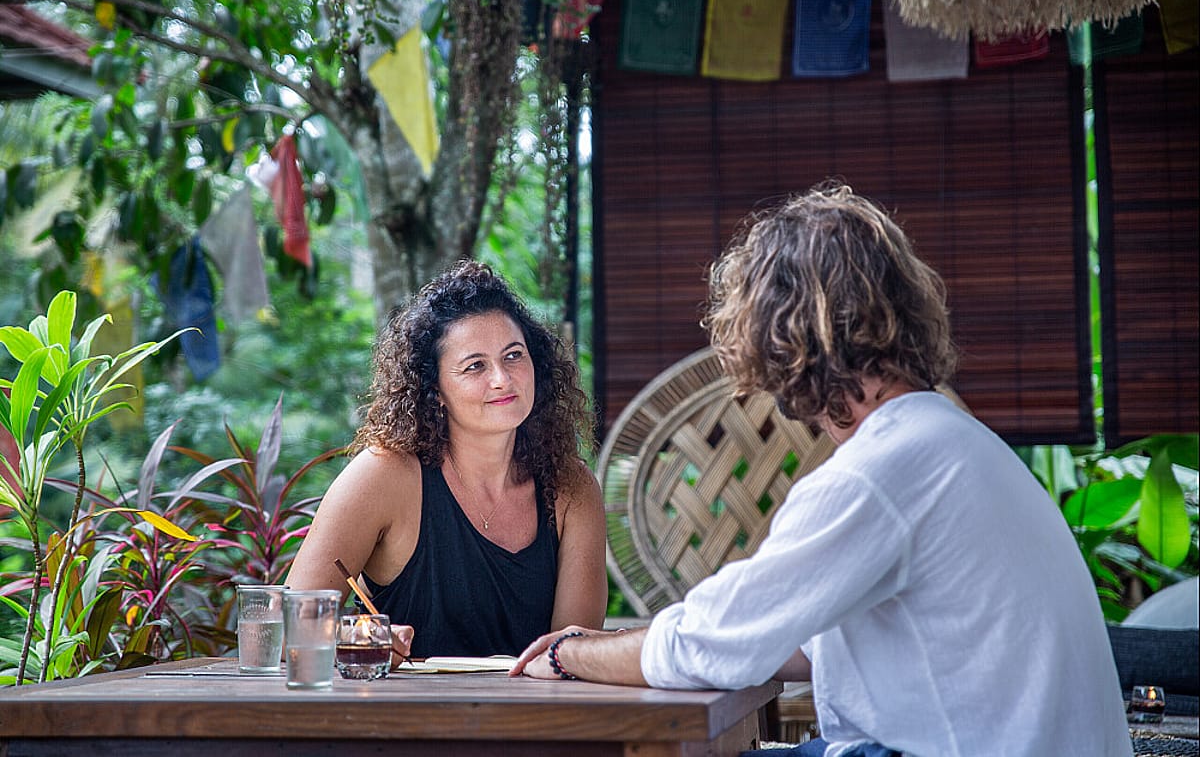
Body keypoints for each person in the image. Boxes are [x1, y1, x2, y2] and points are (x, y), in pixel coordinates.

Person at [512, 183, 1133, 757]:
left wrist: (572, 655)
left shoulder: (878, 473)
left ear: (783, 339)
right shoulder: (957, 442)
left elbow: (708, 644)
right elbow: (799, 645)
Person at [287, 260, 607, 662]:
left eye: (513, 356)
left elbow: (573, 654)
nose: (502, 379)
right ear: (434, 389)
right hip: (404, 719)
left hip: (532, 720)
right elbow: (291, 626)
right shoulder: (384, 476)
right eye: (475, 366)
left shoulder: (571, 486)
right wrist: (364, 636)